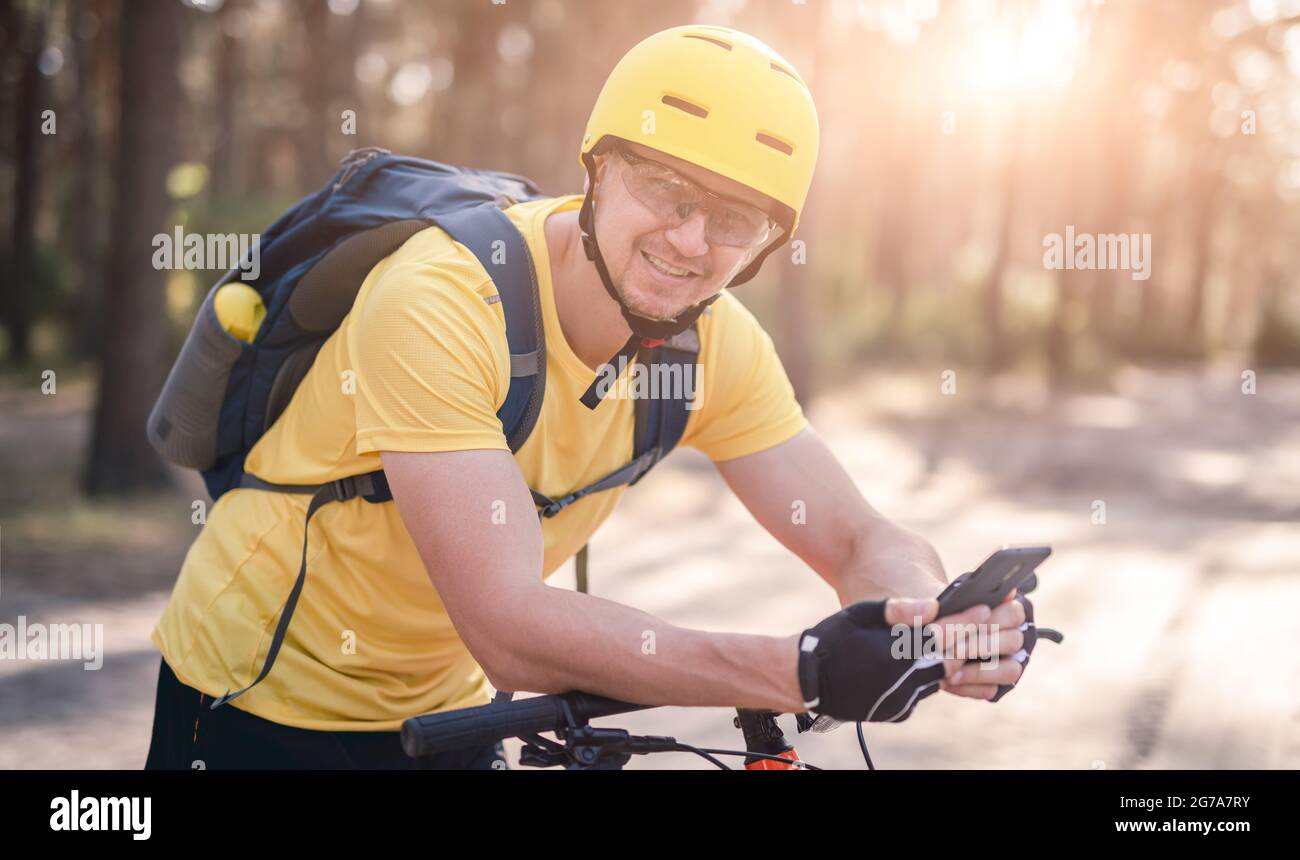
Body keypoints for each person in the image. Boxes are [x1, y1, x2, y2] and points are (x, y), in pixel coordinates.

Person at [145, 25, 1040, 770]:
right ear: (597, 169)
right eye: (666, 185)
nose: (691, 239)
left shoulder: (712, 341)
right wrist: (800, 671)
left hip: (449, 710)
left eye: (737, 219)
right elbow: (509, 625)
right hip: (258, 700)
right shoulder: (443, 299)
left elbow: (854, 536)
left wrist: (930, 620)